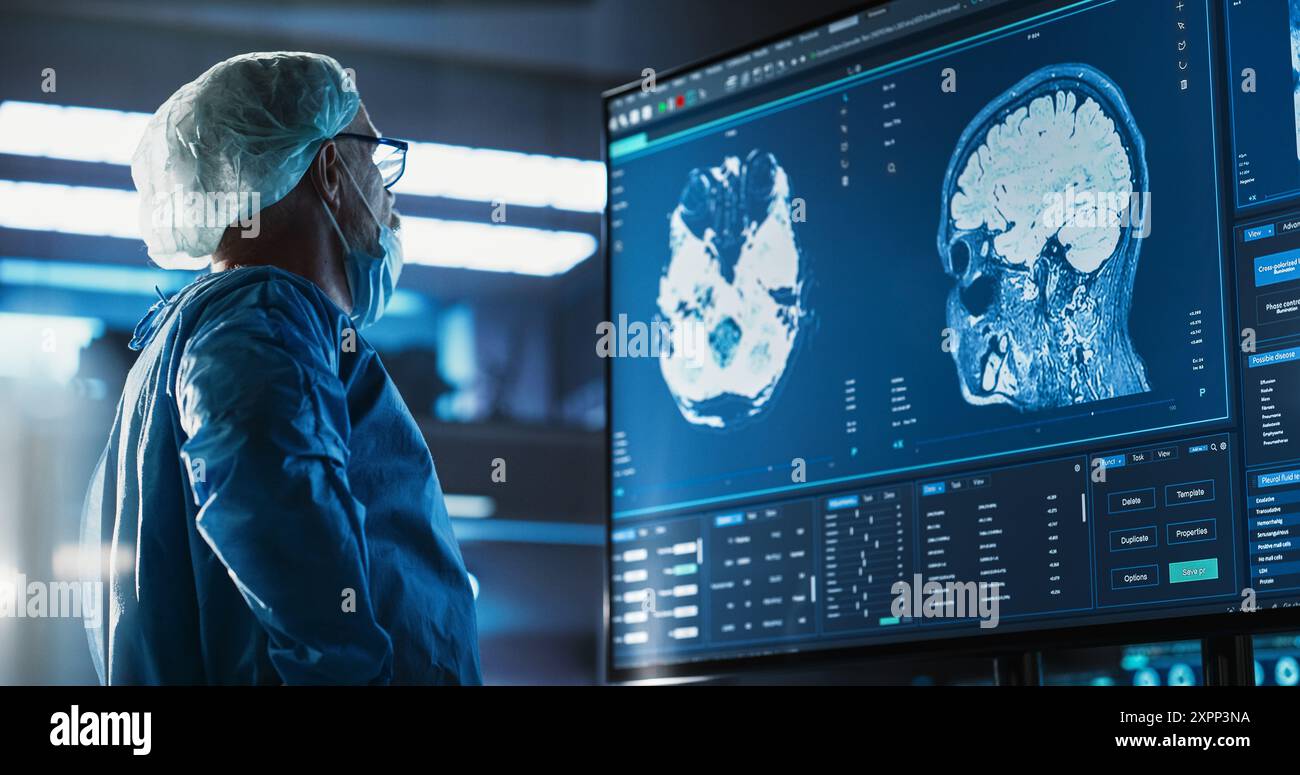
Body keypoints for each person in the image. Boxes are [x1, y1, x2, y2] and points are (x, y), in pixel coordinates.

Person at [80, 51, 481, 685]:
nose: (389, 198)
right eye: (374, 161)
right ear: (329, 170)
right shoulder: (261, 319)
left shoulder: (187, 343)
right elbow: (285, 531)